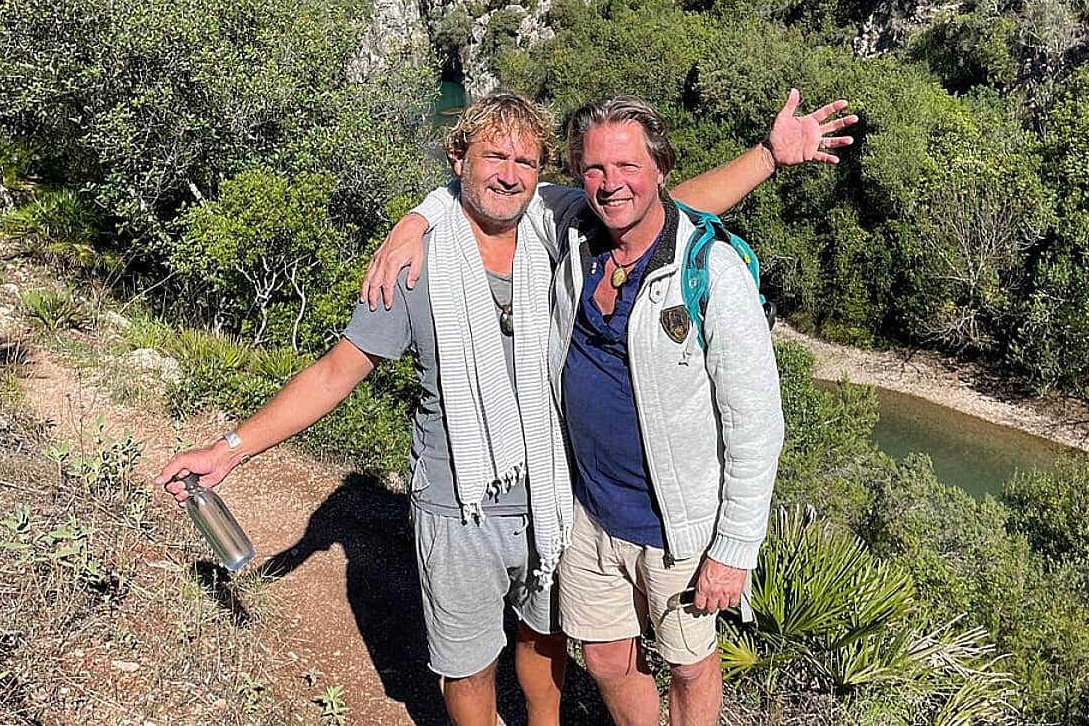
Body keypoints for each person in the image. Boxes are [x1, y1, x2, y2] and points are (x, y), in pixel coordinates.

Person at [156, 92, 816, 726]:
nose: (509, 175)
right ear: (458, 160)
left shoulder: (560, 229)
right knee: (468, 663)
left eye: (525, 161)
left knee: (545, 639)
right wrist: (230, 448)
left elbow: (660, 207)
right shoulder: (411, 263)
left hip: (555, 496)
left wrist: (769, 155)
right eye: (493, 157)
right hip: (458, 499)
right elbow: (334, 373)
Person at [369, 91, 856, 726]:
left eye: (628, 167)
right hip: (587, 516)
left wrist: (733, 547)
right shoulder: (574, 236)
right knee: (602, 659)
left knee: (688, 666)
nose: (611, 183)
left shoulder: (710, 269)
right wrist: (419, 218)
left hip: (677, 526)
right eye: (594, 169)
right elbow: (481, 186)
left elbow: (757, 425)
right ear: (576, 176)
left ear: (660, 171)